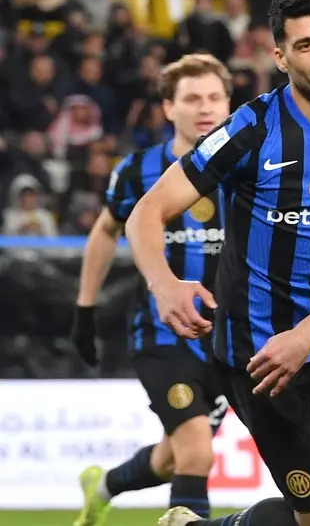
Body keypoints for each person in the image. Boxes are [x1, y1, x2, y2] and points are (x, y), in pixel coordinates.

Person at [125, 0, 310, 526]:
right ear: (280, 58)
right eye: (306, 45)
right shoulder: (251, 129)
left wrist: (307, 336)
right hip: (260, 358)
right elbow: (146, 212)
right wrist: (164, 284)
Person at [72, 54, 233, 526]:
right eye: (192, 98)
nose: (205, 108)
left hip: (231, 339)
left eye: (215, 97)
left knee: (173, 457)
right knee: (197, 451)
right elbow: (106, 231)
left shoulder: (248, 169)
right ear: (168, 108)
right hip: (164, 334)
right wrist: (85, 309)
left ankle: (103, 487)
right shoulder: (139, 170)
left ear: (229, 104)